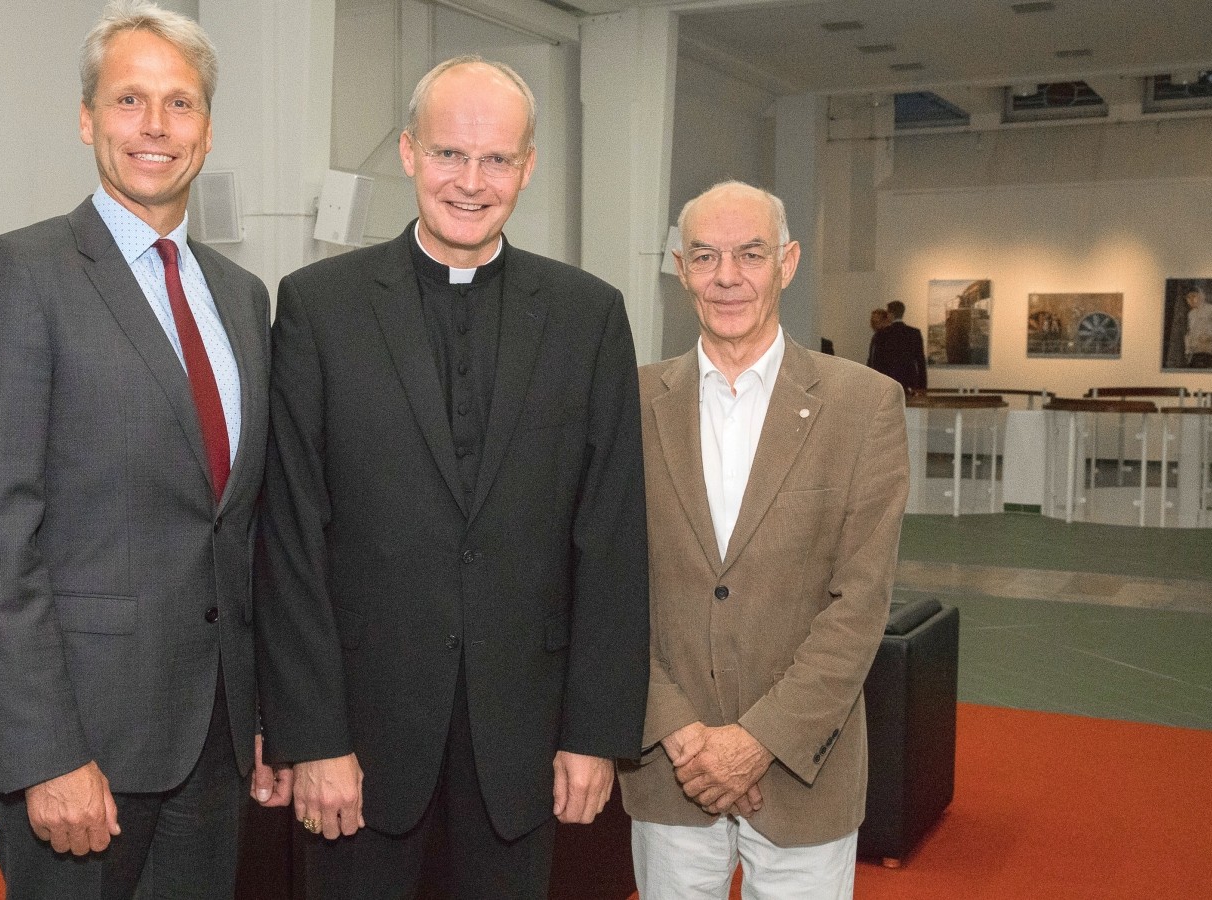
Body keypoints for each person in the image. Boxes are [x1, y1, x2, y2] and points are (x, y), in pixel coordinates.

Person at [255, 56, 649, 898]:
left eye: (497, 159)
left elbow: (612, 540)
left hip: (524, 744)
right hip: (358, 741)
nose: (471, 182)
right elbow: (290, 537)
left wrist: (594, 733)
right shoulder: (319, 309)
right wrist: (312, 736)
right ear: (407, 152)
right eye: (447, 154)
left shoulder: (588, 316)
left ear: (528, 166)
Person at [0, 2, 287, 897]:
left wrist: (257, 711)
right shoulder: (20, 275)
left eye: (180, 103)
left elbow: (236, 527)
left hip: (211, 743)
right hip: (79, 747)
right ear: (87, 117)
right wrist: (45, 750)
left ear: (206, 129)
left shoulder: (242, 296)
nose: (156, 127)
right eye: (130, 100)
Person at [620, 181, 909, 899]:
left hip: (805, 767)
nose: (727, 276)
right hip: (669, 766)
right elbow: (605, 588)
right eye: (705, 256)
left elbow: (860, 602)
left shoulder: (864, 405)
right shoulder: (626, 403)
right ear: (680, 268)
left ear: (788, 262)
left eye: (750, 254)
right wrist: (682, 733)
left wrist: (757, 743)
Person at [867, 300, 927, 392]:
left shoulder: (881, 334)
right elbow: (920, 361)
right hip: (909, 382)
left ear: (890, 314)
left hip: (887, 381)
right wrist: (922, 386)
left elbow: (876, 361)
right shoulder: (914, 333)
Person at [1183, 287, 1212, 368]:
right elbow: (1191, 332)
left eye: (1194, 296)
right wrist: (1187, 350)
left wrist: (1210, 335)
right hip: (1191, 353)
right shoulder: (1191, 314)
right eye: (1188, 297)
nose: (1191, 300)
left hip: (1205, 351)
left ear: (1200, 296)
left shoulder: (1211, 309)